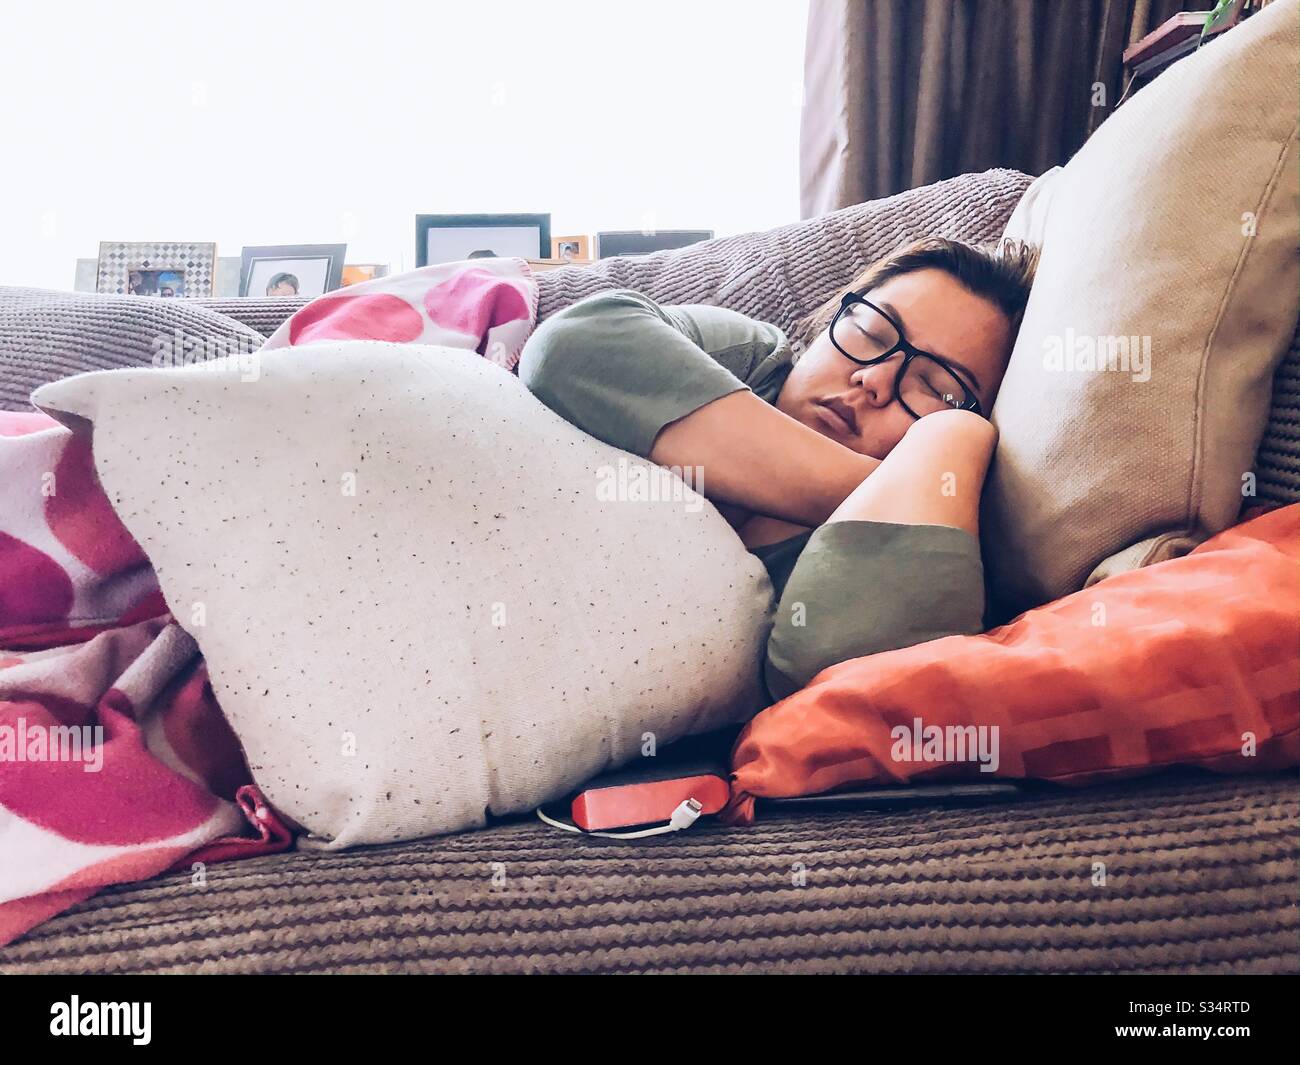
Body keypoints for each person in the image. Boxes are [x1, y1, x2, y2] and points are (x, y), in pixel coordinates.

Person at [518, 236, 1039, 702]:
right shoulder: (752, 359)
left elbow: (845, 675)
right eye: (873, 334)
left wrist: (953, 435)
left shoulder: (904, 553)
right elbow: (574, 343)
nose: (873, 379)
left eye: (937, 388)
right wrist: (872, 485)